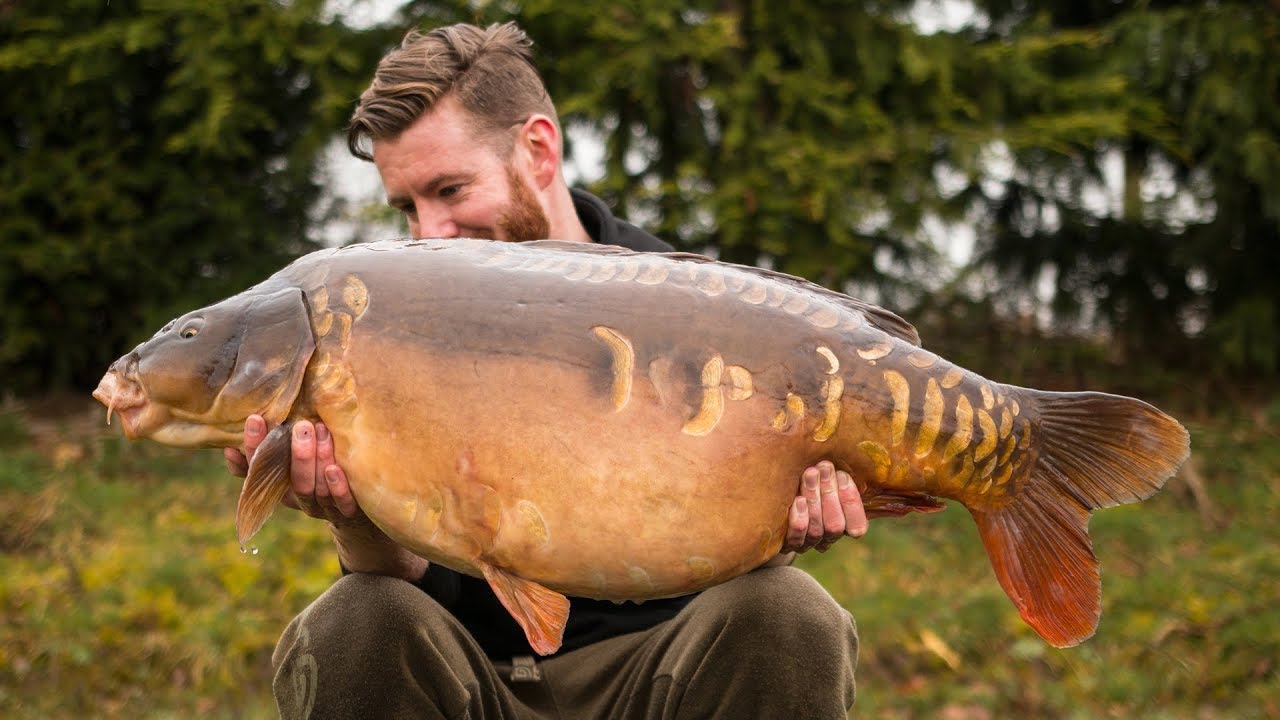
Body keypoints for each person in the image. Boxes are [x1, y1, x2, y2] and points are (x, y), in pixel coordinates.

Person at [224, 21, 868, 719]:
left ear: (538, 149)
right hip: (472, 679)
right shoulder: (384, 328)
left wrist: (787, 526)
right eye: (408, 206)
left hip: (658, 673)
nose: (428, 232)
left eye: (450, 189)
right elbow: (403, 586)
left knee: (788, 610)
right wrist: (349, 517)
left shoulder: (695, 310)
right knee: (355, 616)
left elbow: (730, 582)